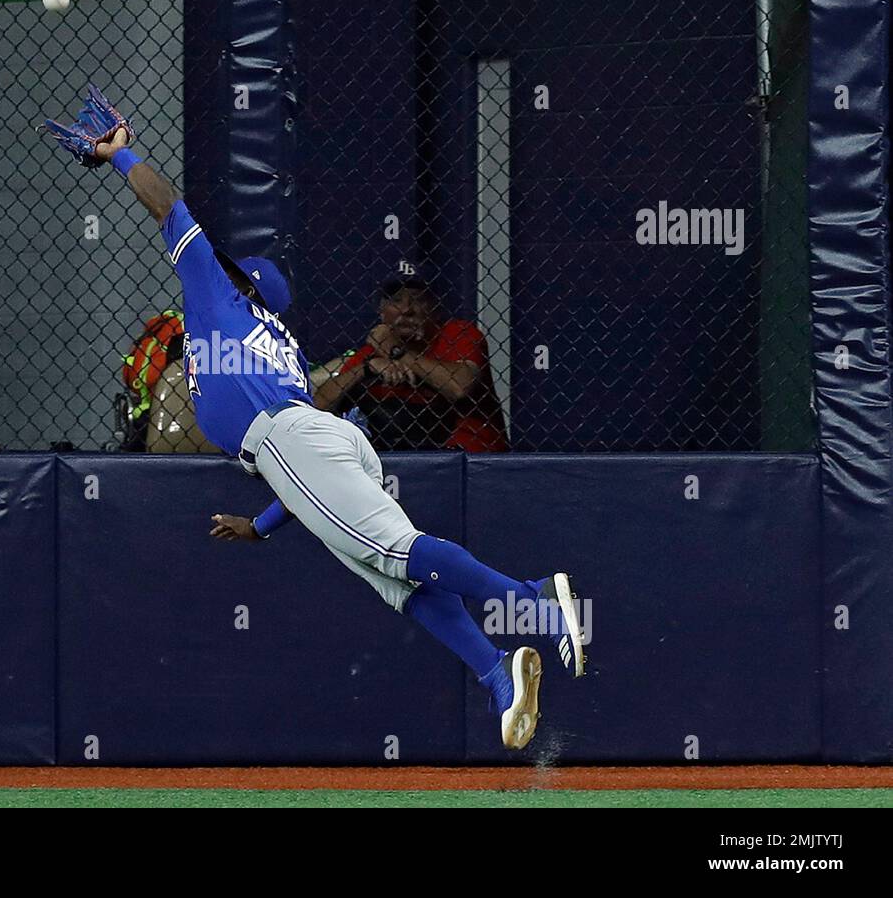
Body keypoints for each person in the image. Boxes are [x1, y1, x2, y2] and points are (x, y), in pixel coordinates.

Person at [45, 86, 586, 749]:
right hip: (319, 441)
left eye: (234, 271)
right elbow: (309, 478)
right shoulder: (285, 346)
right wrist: (264, 525)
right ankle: (498, 674)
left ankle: (536, 601)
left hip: (290, 439)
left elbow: (168, 206)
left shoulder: (217, 292)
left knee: (396, 554)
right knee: (398, 581)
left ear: (243, 286)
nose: (222, 269)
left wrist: (123, 155)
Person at [315, 270, 509, 452]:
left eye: (418, 299)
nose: (406, 310)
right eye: (396, 300)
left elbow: (459, 387)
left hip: (475, 462)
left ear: (435, 307)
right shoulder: (372, 353)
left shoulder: (459, 334)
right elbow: (318, 406)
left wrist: (396, 352)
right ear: (382, 312)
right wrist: (366, 369)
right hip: (405, 465)